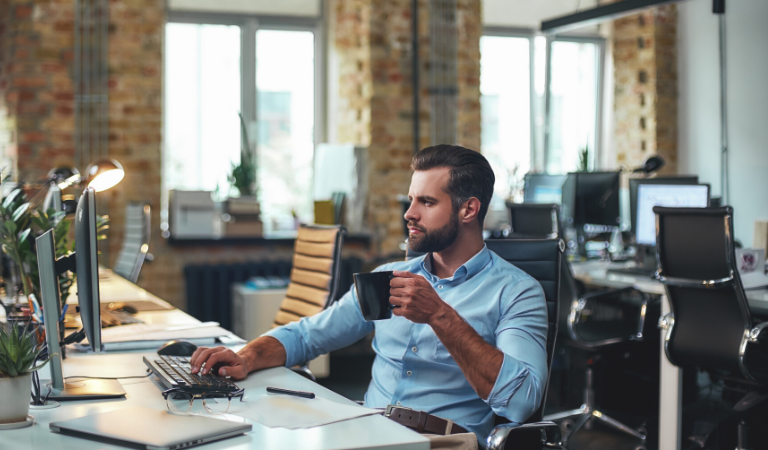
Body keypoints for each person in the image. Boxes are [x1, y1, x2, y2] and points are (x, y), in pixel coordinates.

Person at [190, 144, 548, 448]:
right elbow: (308, 335)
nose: (409, 214)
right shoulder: (389, 277)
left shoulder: (517, 292)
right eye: (411, 200)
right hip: (366, 429)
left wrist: (440, 315)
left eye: (426, 202)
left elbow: (521, 402)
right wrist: (247, 356)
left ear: (468, 209)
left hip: (442, 442)